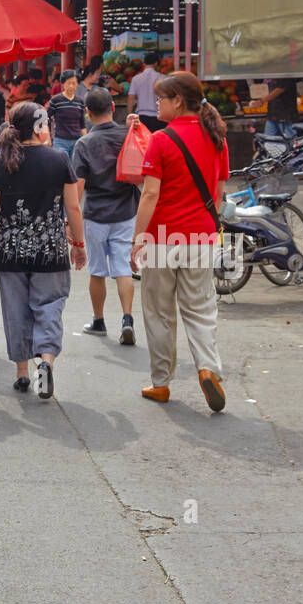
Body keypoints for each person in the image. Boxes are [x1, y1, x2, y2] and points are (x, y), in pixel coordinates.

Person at [0, 102, 87, 399]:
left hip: (10, 254)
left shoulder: (1, 162)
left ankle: (22, 372)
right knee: (49, 306)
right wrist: (79, 245)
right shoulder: (59, 159)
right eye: (46, 123)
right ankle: (45, 361)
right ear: (37, 127)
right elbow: (73, 207)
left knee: (15, 311)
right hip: (51, 252)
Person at [129, 71, 229, 412]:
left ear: (178, 101)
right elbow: (217, 194)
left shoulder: (161, 140)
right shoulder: (216, 137)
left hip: (161, 239)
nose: (157, 103)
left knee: (159, 312)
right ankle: (207, 368)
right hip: (201, 236)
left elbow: (150, 194)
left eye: (161, 98)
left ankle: (161, 384)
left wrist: (136, 239)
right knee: (200, 308)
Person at [72, 88, 140, 344]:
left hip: (96, 215)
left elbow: (77, 189)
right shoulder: (127, 135)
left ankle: (99, 321)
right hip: (126, 212)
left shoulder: (84, 144)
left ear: (88, 113)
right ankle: (127, 319)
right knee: (123, 269)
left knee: (97, 271)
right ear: (113, 106)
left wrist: (71, 222)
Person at [48, 70, 87, 157]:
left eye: (74, 83)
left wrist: (85, 139)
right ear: (63, 84)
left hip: (77, 141)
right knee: (62, 166)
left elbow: (82, 123)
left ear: (77, 84)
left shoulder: (80, 102)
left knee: (75, 168)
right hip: (60, 141)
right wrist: (48, 136)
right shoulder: (55, 101)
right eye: (68, 83)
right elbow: (46, 118)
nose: (71, 86)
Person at [127, 52, 164, 132]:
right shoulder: (162, 78)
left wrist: (129, 115)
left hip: (141, 117)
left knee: (143, 143)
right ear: (156, 63)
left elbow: (131, 98)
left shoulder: (136, 78)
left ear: (144, 63)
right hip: (158, 117)